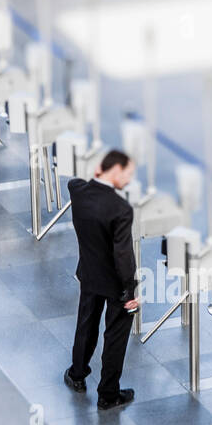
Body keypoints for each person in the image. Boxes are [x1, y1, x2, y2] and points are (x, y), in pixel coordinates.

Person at [64, 150, 140, 410]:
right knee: (115, 336)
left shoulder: (78, 191)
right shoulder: (120, 209)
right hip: (115, 283)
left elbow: (74, 181)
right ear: (115, 170)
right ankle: (108, 394)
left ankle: (77, 374)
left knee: (86, 323)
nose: (128, 180)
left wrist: (95, 174)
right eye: (127, 174)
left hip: (89, 272)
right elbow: (123, 255)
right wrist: (130, 290)